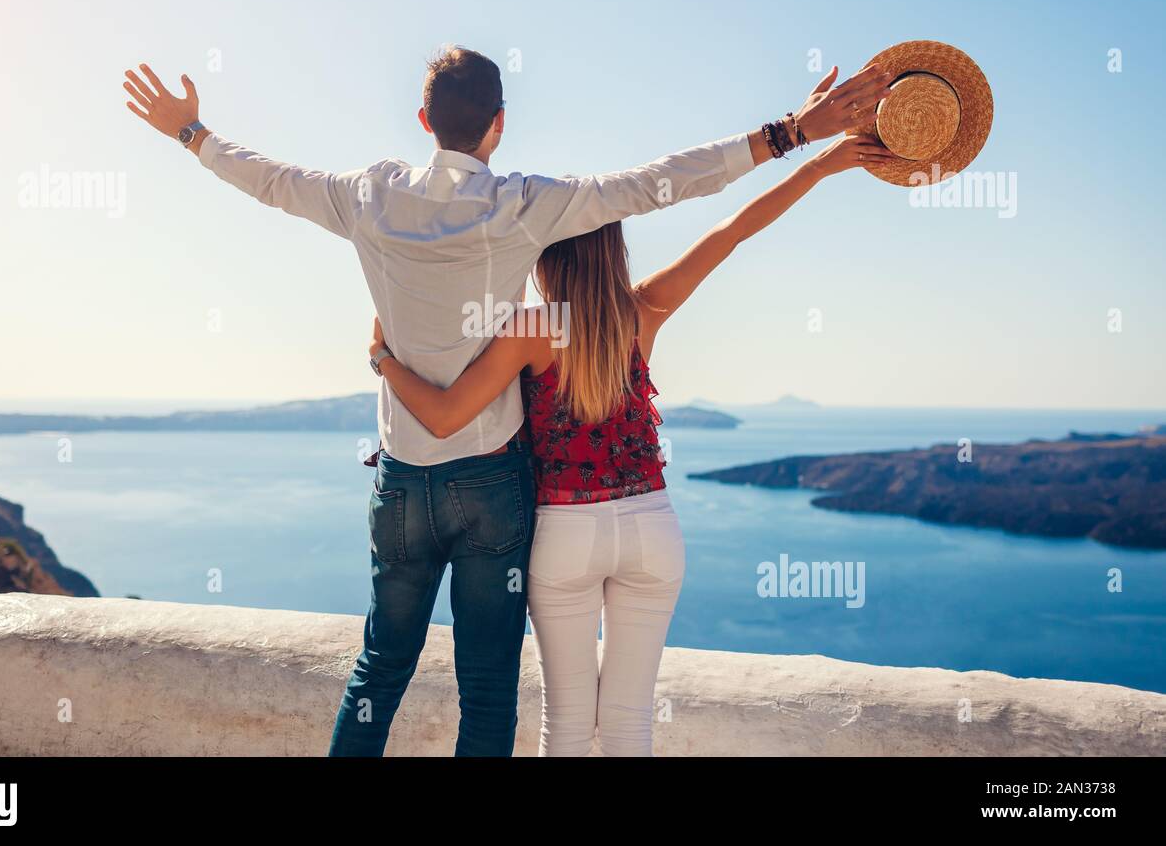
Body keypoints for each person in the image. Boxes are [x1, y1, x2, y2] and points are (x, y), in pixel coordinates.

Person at [122, 47, 892, 756]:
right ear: (499, 123)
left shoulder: (378, 204)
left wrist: (191, 133)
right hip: (519, 494)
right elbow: (675, 188)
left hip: (412, 484)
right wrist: (795, 136)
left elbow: (270, 179)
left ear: (424, 120)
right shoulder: (554, 232)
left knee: (383, 668)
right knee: (501, 690)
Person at [368, 132, 898, 755]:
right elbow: (732, 231)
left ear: (547, 254)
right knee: (629, 725)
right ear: (613, 250)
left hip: (565, 536)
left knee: (565, 725)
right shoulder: (643, 310)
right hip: (651, 529)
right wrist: (825, 164)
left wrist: (384, 359)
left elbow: (444, 417)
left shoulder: (531, 330)